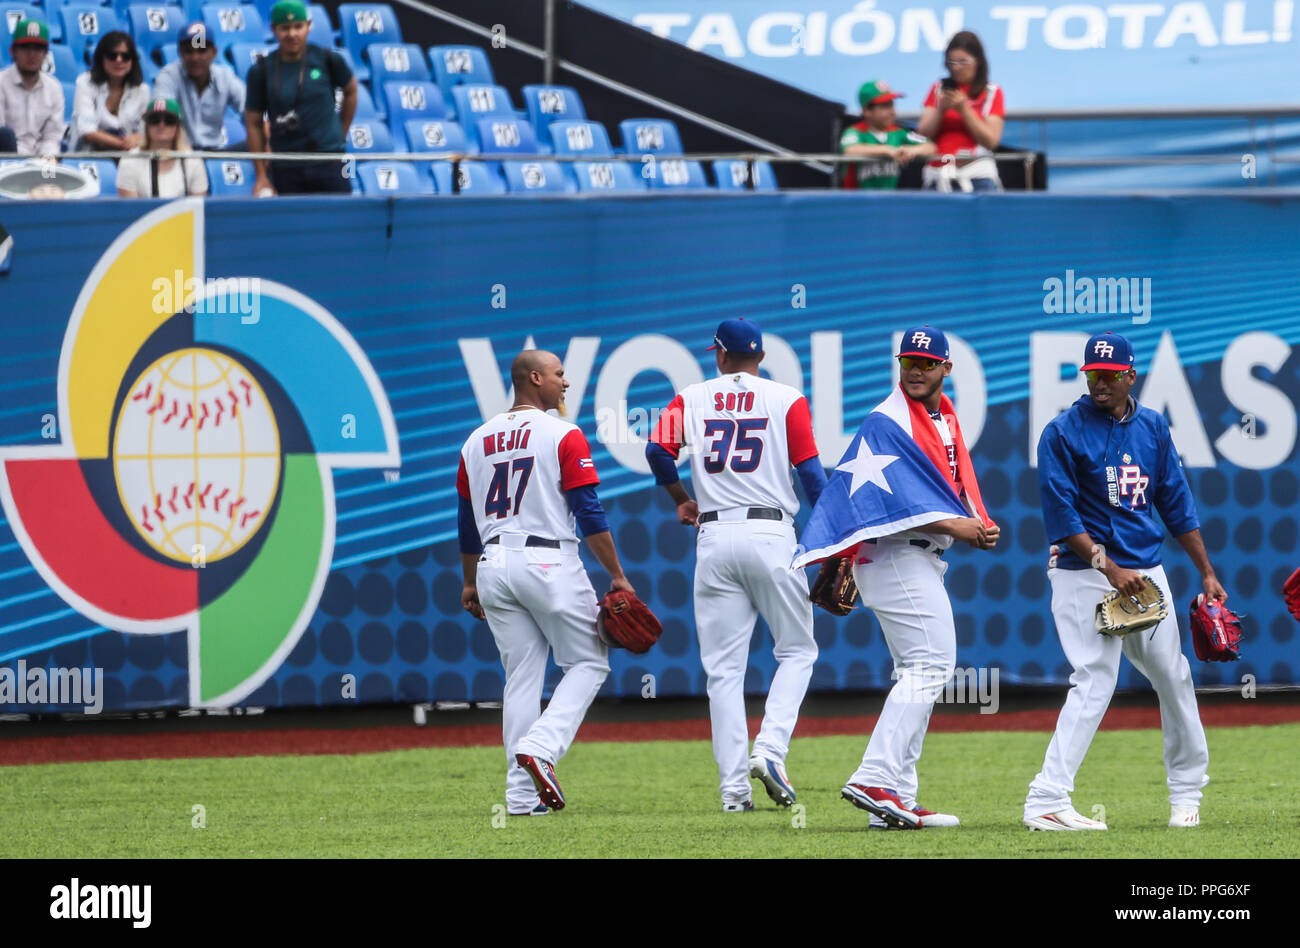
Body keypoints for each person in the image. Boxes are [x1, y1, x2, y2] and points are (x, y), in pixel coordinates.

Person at [793, 327, 998, 829]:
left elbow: (934, 487)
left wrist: (973, 518)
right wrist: (957, 525)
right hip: (896, 555)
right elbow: (897, 502)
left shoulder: (941, 418)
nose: (915, 369)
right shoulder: (888, 421)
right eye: (908, 360)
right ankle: (874, 776)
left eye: (927, 363)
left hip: (916, 558)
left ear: (946, 368)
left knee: (919, 670)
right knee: (934, 664)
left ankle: (897, 799)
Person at [1024, 332, 1223, 831]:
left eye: (1110, 375)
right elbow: (1060, 513)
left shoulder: (1153, 427)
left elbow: (1176, 503)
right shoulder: (1062, 432)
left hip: (1145, 575)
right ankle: (1047, 799)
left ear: (1130, 376)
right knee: (1094, 678)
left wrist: (1206, 571)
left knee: (1171, 675)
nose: (1100, 383)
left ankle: (1185, 792)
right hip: (1083, 572)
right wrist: (1106, 566)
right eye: (1093, 375)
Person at [645, 318, 827, 812]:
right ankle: (769, 749)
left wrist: (682, 498)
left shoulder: (692, 395)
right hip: (771, 532)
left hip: (715, 534)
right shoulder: (786, 398)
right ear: (761, 358)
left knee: (723, 672)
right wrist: (832, 537)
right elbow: (810, 474)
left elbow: (657, 452)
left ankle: (733, 794)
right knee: (796, 651)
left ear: (721, 355)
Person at [457, 349, 634, 816]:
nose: (566, 383)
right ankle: (542, 747)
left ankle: (519, 797)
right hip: (547, 561)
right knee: (589, 663)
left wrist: (470, 580)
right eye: (559, 375)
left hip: (494, 564)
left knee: (521, 679)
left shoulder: (475, 441)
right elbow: (588, 510)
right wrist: (616, 575)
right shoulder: (562, 433)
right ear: (535, 378)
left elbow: (466, 520)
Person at [245, 0, 357, 195]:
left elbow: (351, 90)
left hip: (329, 162)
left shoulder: (327, 59)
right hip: (286, 166)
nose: (292, 34)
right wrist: (261, 175)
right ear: (273, 29)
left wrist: (341, 132)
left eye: (298, 26)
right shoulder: (261, 70)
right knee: (291, 224)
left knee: (339, 221)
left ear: (308, 26)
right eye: (285, 28)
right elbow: (253, 122)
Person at [915, 31, 1005, 192]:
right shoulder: (938, 89)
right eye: (952, 62)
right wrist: (940, 110)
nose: (956, 68)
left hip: (977, 175)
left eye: (963, 62)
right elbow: (923, 133)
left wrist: (965, 110)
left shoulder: (992, 92)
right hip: (939, 174)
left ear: (977, 61)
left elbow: (991, 141)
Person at [152, 22, 246, 152]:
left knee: (260, 142)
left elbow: (252, 111)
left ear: (214, 52)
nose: (195, 58)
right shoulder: (168, 76)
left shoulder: (225, 76)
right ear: (179, 52)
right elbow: (162, 116)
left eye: (201, 51)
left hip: (216, 152)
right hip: (180, 152)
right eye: (189, 51)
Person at [839, 80, 934, 190]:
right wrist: (887, 150)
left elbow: (930, 147)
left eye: (892, 105)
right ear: (866, 111)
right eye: (885, 106)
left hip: (889, 201)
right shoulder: (854, 132)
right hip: (857, 202)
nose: (892, 111)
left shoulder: (898, 132)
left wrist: (911, 151)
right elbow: (850, 150)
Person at [70, 31, 151, 152]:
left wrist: (138, 138)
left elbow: (147, 132)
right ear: (101, 58)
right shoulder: (85, 83)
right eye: (112, 56)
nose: (119, 60)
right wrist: (123, 144)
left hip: (128, 157)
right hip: (89, 155)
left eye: (125, 56)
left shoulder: (142, 90)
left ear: (132, 60)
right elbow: (87, 131)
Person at [116, 97, 208, 197]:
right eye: (154, 120)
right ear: (147, 126)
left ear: (178, 127)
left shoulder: (193, 161)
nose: (161, 125)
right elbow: (131, 209)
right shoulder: (130, 160)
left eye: (169, 120)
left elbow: (198, 207)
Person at [0, 19, 65, 156]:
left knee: (54, 166)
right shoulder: (1, 83)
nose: (32, 54)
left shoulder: (54, 87)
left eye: (38, 48)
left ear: (46, 53)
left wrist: (44, 160)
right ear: (13, 51)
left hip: (41, 161)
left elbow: (52, 138)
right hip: (6, 161)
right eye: (25, 47)